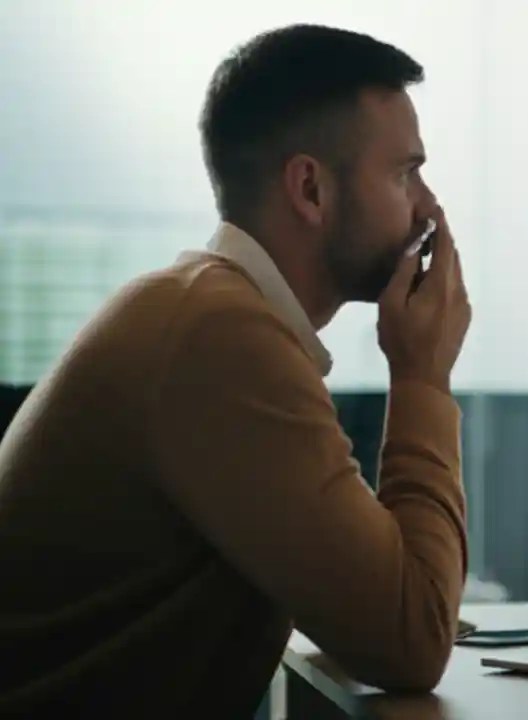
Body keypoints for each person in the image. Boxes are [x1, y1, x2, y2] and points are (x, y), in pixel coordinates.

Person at [0, 24, 470, 718]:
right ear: (310, 188)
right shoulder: (220, 338)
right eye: (405, 172)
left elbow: (378, 608)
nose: (429, 207)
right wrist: (423, 379)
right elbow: (412, 638)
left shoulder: (207, 312)